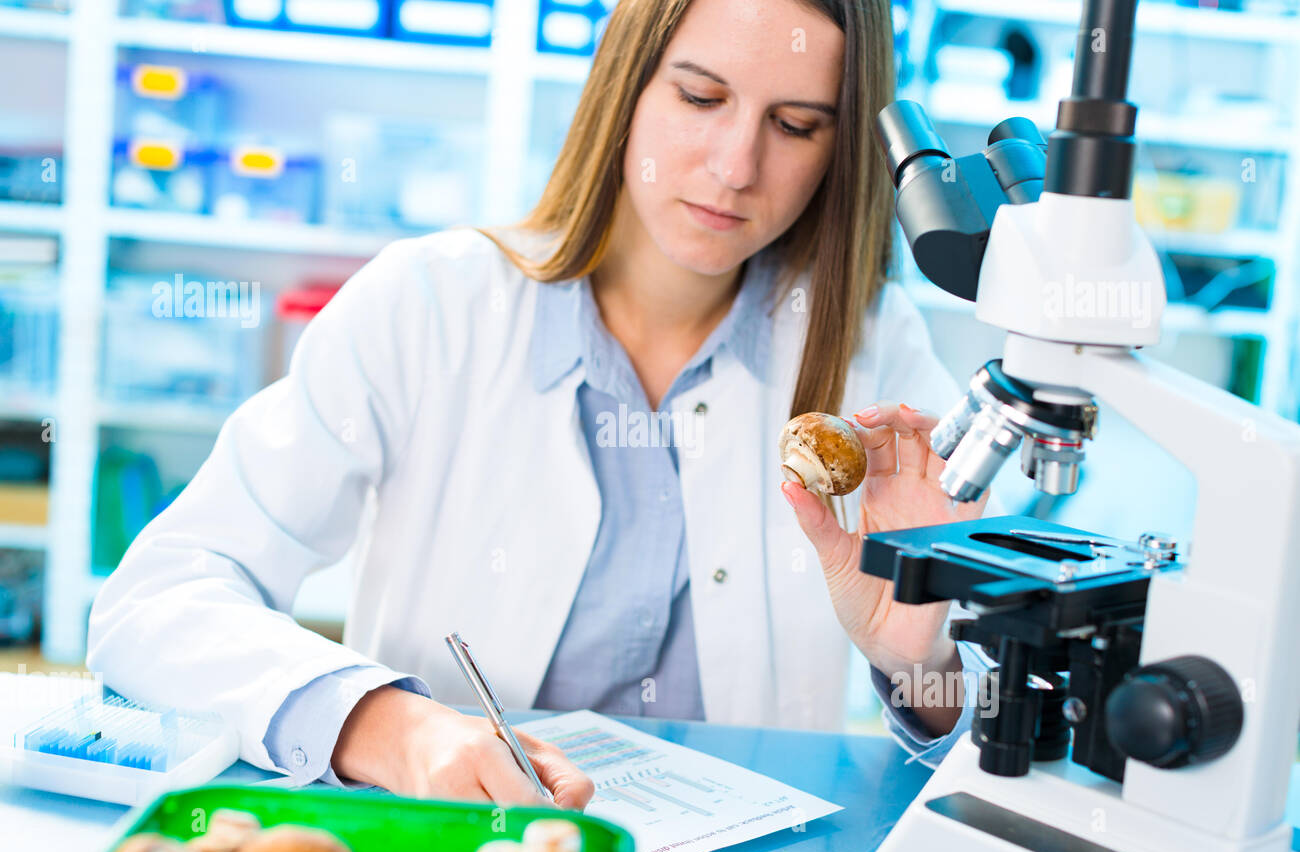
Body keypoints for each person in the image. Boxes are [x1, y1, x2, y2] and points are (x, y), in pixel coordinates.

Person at [87, 0, 990, 810]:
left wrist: (922, 665)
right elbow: (155, 599)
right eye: (700, 97)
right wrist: (387, 727)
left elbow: (991, 725)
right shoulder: (428, 304)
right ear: (625, 85)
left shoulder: (874, 351)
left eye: (795, 125)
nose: (735, 165)